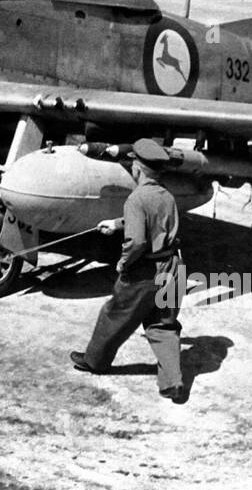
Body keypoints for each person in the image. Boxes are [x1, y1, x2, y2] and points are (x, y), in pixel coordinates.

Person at [70, 139, 187, 403]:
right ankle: (173, 383)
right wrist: (116, 224)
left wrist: (124, 262)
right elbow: (155, 221)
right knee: (162, 325)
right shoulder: (166, 195)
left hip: (146, 272)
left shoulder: (135, 198)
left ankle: (95, 362)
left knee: (114, 314)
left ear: (138, 169)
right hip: (173, 268)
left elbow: (137, 242)